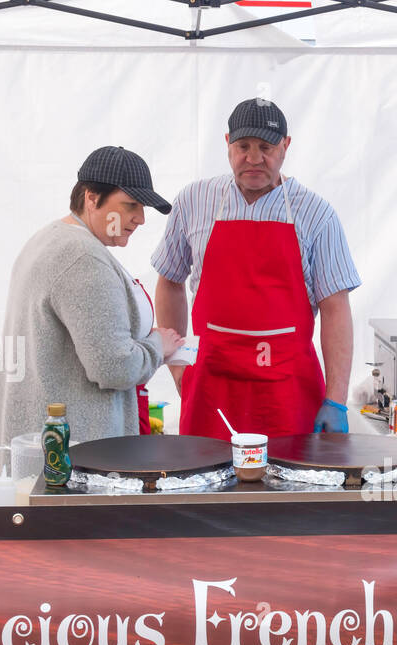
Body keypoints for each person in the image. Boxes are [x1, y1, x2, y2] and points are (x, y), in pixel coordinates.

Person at [153, 99, 361, 438]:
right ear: (227, 144)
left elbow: (335, 308)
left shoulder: (315, 213)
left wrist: (336, 399)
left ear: (285, 147)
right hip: (211, 390)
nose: (253, 158)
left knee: (286, 489)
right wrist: (177, 362)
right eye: (243, 147)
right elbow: (170, 281)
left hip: (288, 394)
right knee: (209, 487)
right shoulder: (194, 200)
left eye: (265, 147)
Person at [0, 146, 181, 463]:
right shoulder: (82, 258)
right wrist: (158, 345)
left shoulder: (49, 238)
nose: (140, 219)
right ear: (91, 197)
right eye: (130, 205)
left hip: (40, 450)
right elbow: (114, 368)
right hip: (72, 460)